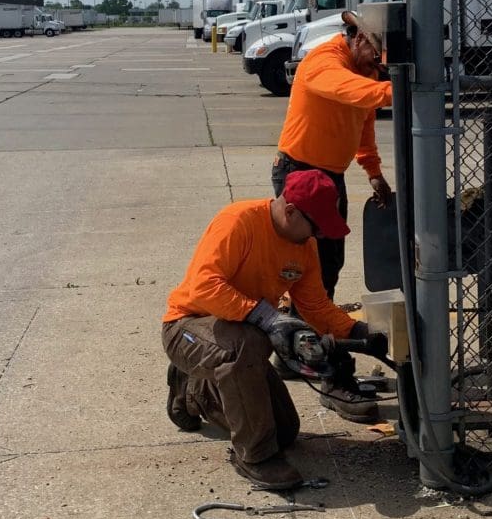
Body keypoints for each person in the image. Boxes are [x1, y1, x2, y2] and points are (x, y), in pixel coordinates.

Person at [162, 169, 385, 490]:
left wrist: (360, 332)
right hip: (186, 327)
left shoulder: (302, 245)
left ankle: (195, 392)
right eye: (316, 227)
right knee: (251, 342)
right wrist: (267, 318)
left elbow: (316, 307)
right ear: (291, 211)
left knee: (284, 431)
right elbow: (203, 288)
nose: (319, 236)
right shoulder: (239, 221)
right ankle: (254, 457)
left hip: (235, 338)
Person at [272, 10, 393, 300]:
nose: (377, 67)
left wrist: (373, 172)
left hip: (331, 176)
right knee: (309, 258)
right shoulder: (323, 61)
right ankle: (304, 327)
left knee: (330, 259)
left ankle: (318, 319)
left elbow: (364, 126)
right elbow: (349, 90)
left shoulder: (365, 73)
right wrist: (401, 91)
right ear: (360, 38)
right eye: (376, 57)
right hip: (299, 171)